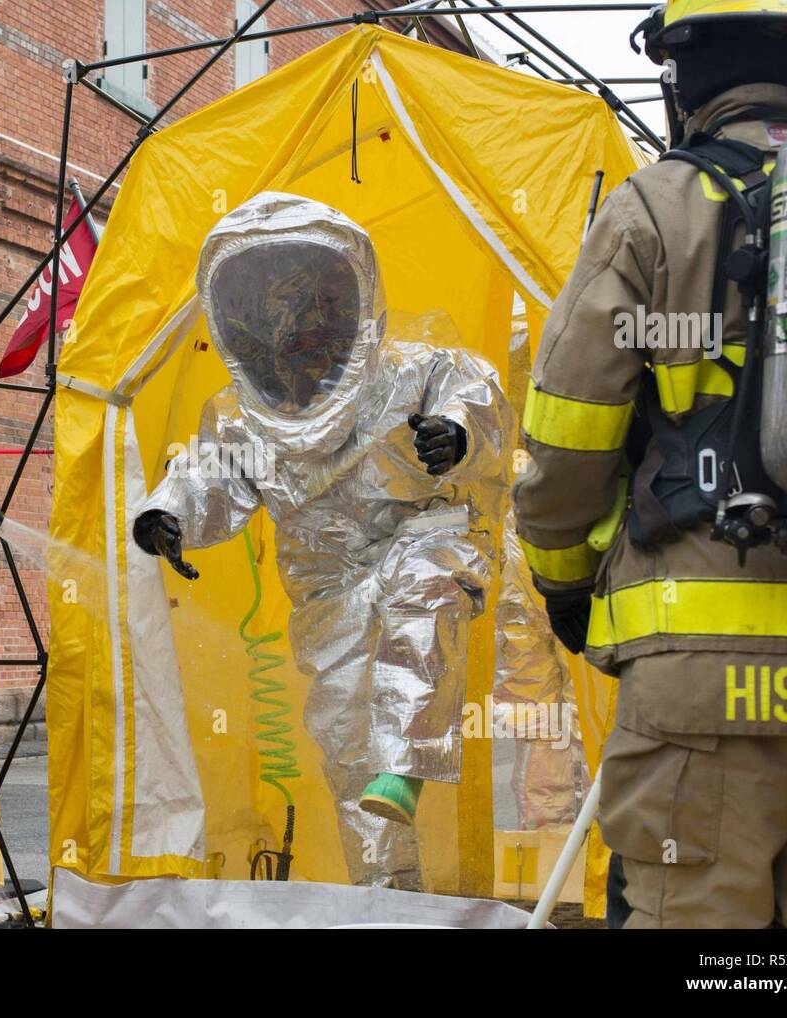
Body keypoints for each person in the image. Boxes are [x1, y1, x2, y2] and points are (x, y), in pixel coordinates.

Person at [513, 0, 787, 927]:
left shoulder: (652, 210)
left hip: (698, 680)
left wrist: (564, 584)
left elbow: (570, 430)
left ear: (685, 76)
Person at [134, 192, 511, 888]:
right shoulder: (244, 418)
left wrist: (455, 433)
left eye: (315, 309)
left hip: (428, 536)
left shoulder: (410, 372)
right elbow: (210, 476)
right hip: (327, 588)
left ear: (350, 307)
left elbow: (476, 391)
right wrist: (169, 516)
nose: (301, 329)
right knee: (344, 736)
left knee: (421, 602)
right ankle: (387, 892)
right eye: (280, 315)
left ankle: (405, 765)